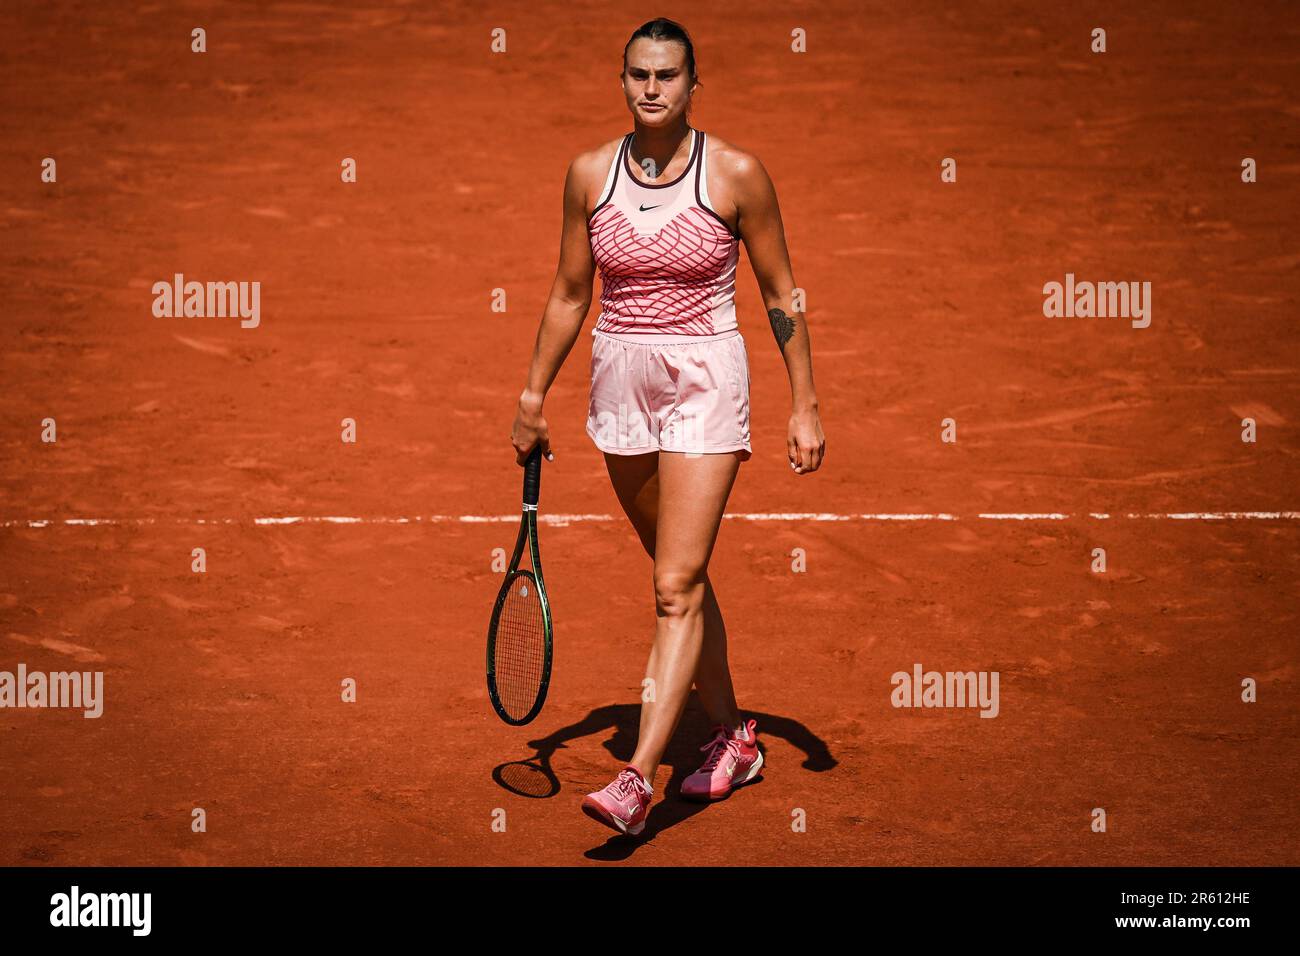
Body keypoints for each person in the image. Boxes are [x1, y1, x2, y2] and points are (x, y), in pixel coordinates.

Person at [510, 17, 824, 837]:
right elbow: (572, 292)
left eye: (669, 76)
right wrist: (533, 394)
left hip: (705, 382)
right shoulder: (588, 174)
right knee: (676, 571)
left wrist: (805, 403)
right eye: (639, 75)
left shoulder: (736, 175)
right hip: (621, 385)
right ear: (623, 81)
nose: (653, 89)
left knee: (673, 587)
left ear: (694, 85)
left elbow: (781, 292)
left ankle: (638, 775)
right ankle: (734, 738)